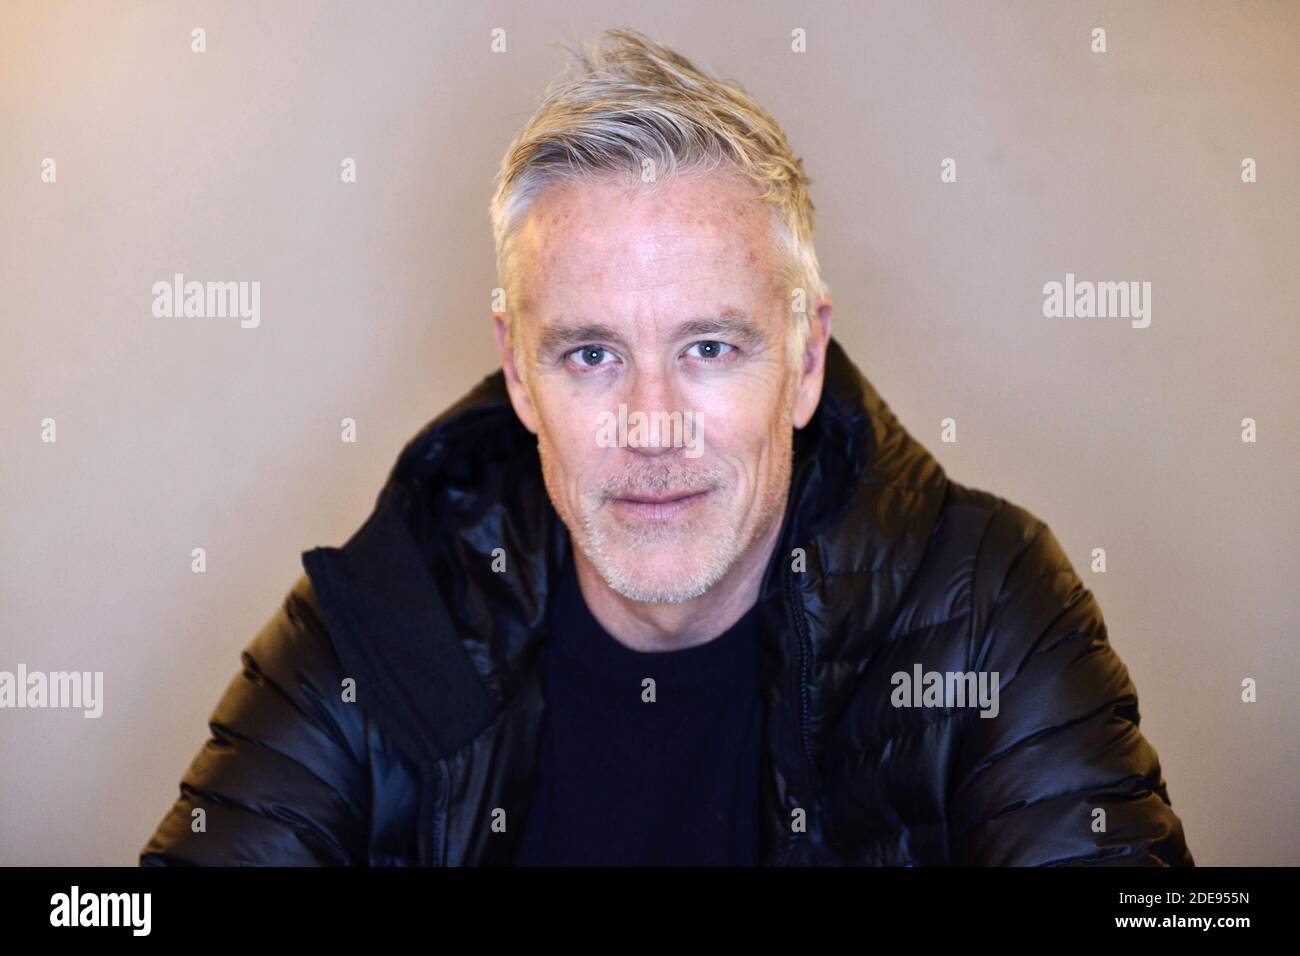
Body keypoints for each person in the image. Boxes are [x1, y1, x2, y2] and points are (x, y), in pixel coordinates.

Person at [140, 28, 1192, 867]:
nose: (652, 426)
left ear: (803, 357)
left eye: (709, 346)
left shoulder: (982, 607)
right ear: (517, 372)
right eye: (591, 354)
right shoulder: (375, 618)